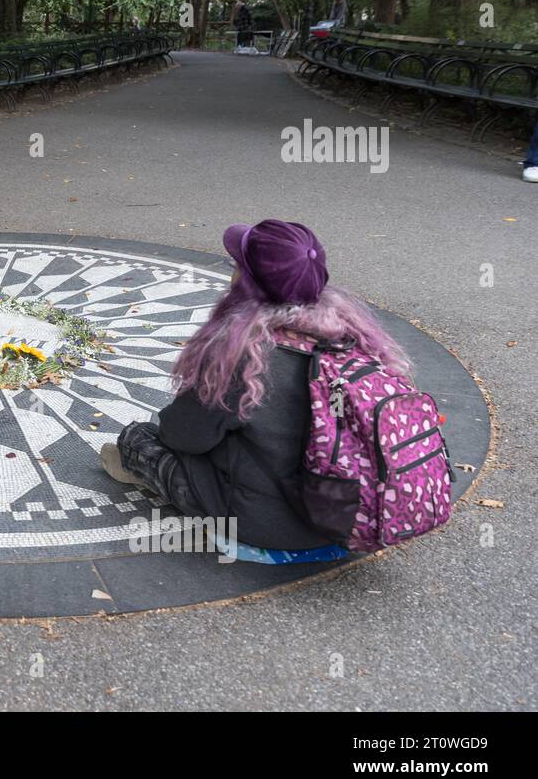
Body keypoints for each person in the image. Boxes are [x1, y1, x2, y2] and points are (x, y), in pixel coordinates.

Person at [99, 219, 413, 550]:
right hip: (350, 513)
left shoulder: (246, 354)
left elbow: (183, 436)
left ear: (248, 284)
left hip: (268, 522)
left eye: (237, 267)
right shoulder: (354, 337)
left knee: (138, 438)